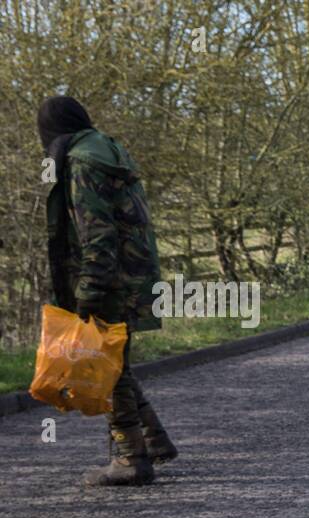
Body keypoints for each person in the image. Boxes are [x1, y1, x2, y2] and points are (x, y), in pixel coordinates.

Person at [40, 95, 176, 488]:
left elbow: (96, 233)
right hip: (134, 272)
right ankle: (153, 440)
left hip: (111, 279)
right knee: (117, 362)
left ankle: (130, 459)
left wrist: (90, 289)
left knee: (106, 365)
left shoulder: (81, 162)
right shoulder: (105, 148)